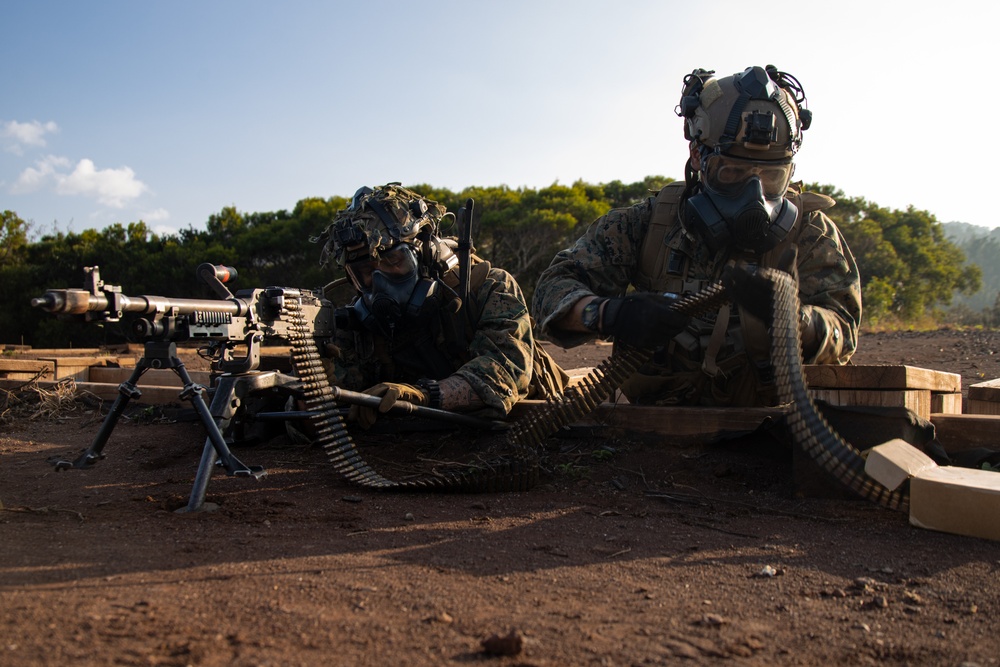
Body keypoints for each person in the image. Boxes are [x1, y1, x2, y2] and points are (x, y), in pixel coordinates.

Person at [531, 65, 861, 408]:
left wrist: (796, 321)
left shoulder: (809, 232)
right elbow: (552, 289)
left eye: (771, 177)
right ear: (697, 157)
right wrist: (609, 314)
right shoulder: (649, 222)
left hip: (769, 422)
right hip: (654, 426)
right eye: (733, 172)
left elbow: (844, 332)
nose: (754, 195)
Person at [314, 183, 566, 428]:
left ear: (425, 253)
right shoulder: (358, 324)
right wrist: (312, 395)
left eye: (393, 260)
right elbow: (335, 399)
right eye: (364, 272)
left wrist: (423, 395)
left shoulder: (487, 287)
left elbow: (506, 372)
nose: (379, 283)